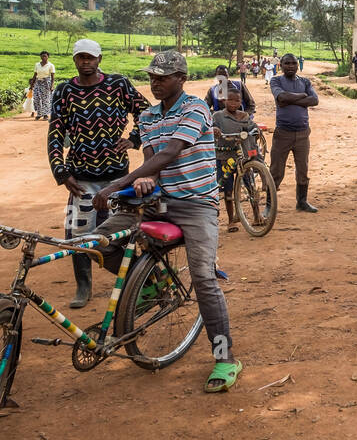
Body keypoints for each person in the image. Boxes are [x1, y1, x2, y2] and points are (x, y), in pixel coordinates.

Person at [90, 51, 241, 393]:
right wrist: (146, 179)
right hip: (156, 202)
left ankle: (225, 356)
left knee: (204, 279)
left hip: (196, 204)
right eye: (152, 77)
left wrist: (117, 183)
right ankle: (153, 285)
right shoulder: (146, 116)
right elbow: (152, 158)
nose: (155, 83)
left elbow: (170, 151)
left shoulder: (195, 108)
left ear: (181, 79)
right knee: (95, 245)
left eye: (163, 77)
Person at [46, 38, 150, 308]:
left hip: (117, 176)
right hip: (81, 179)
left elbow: (147, 112)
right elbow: (56, 132)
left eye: (90, 58)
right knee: (78, 236)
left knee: (122, 234)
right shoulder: (64, 90)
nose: (86, 62)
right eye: (81, 57)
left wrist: (135, 139)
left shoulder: (118, 84)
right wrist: (61, 171)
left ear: (99, 59)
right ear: (74, 61)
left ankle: (136, 283)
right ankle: (83, 286)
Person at [269, 53, 320, 212]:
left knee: (303, 169)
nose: (290, 66)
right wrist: (303, 96)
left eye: (293, 63)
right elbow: (281, 97)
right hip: (283, 133)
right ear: (281, 65)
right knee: (276, 171)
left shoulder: (304, 81)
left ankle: (302, 202)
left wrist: (290, 100)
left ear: (298, 65)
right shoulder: (276, 80)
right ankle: (269, 206)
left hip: (303, 133)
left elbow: (315, 100)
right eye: (287, 63)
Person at [212, 86, 258, 231]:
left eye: (237, 100)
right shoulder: (217, 116)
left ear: (241, 102)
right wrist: (215, 130)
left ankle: (257, 216)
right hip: (225, 156)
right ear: (224, 100)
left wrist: (254, 131)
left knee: (250, 185)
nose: (233, 103)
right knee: (228, 189)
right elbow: (211, 127)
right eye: (230, 100)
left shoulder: (244, 116)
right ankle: (231, 221)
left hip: (242, 155)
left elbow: (253, 128)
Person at [29, 51, 56, 120]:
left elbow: (53, 77)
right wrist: (32, 85)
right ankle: (39, 114)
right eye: (42, 56)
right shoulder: (37, 65)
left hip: (46, 83)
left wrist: (52, 86)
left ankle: (45, 114)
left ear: (48, 57)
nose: (43, 57)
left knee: (45, 99)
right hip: (38, 82)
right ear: (40, 57)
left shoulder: (50, 65)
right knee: (37, 98)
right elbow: (35, 75)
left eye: (45, 56)